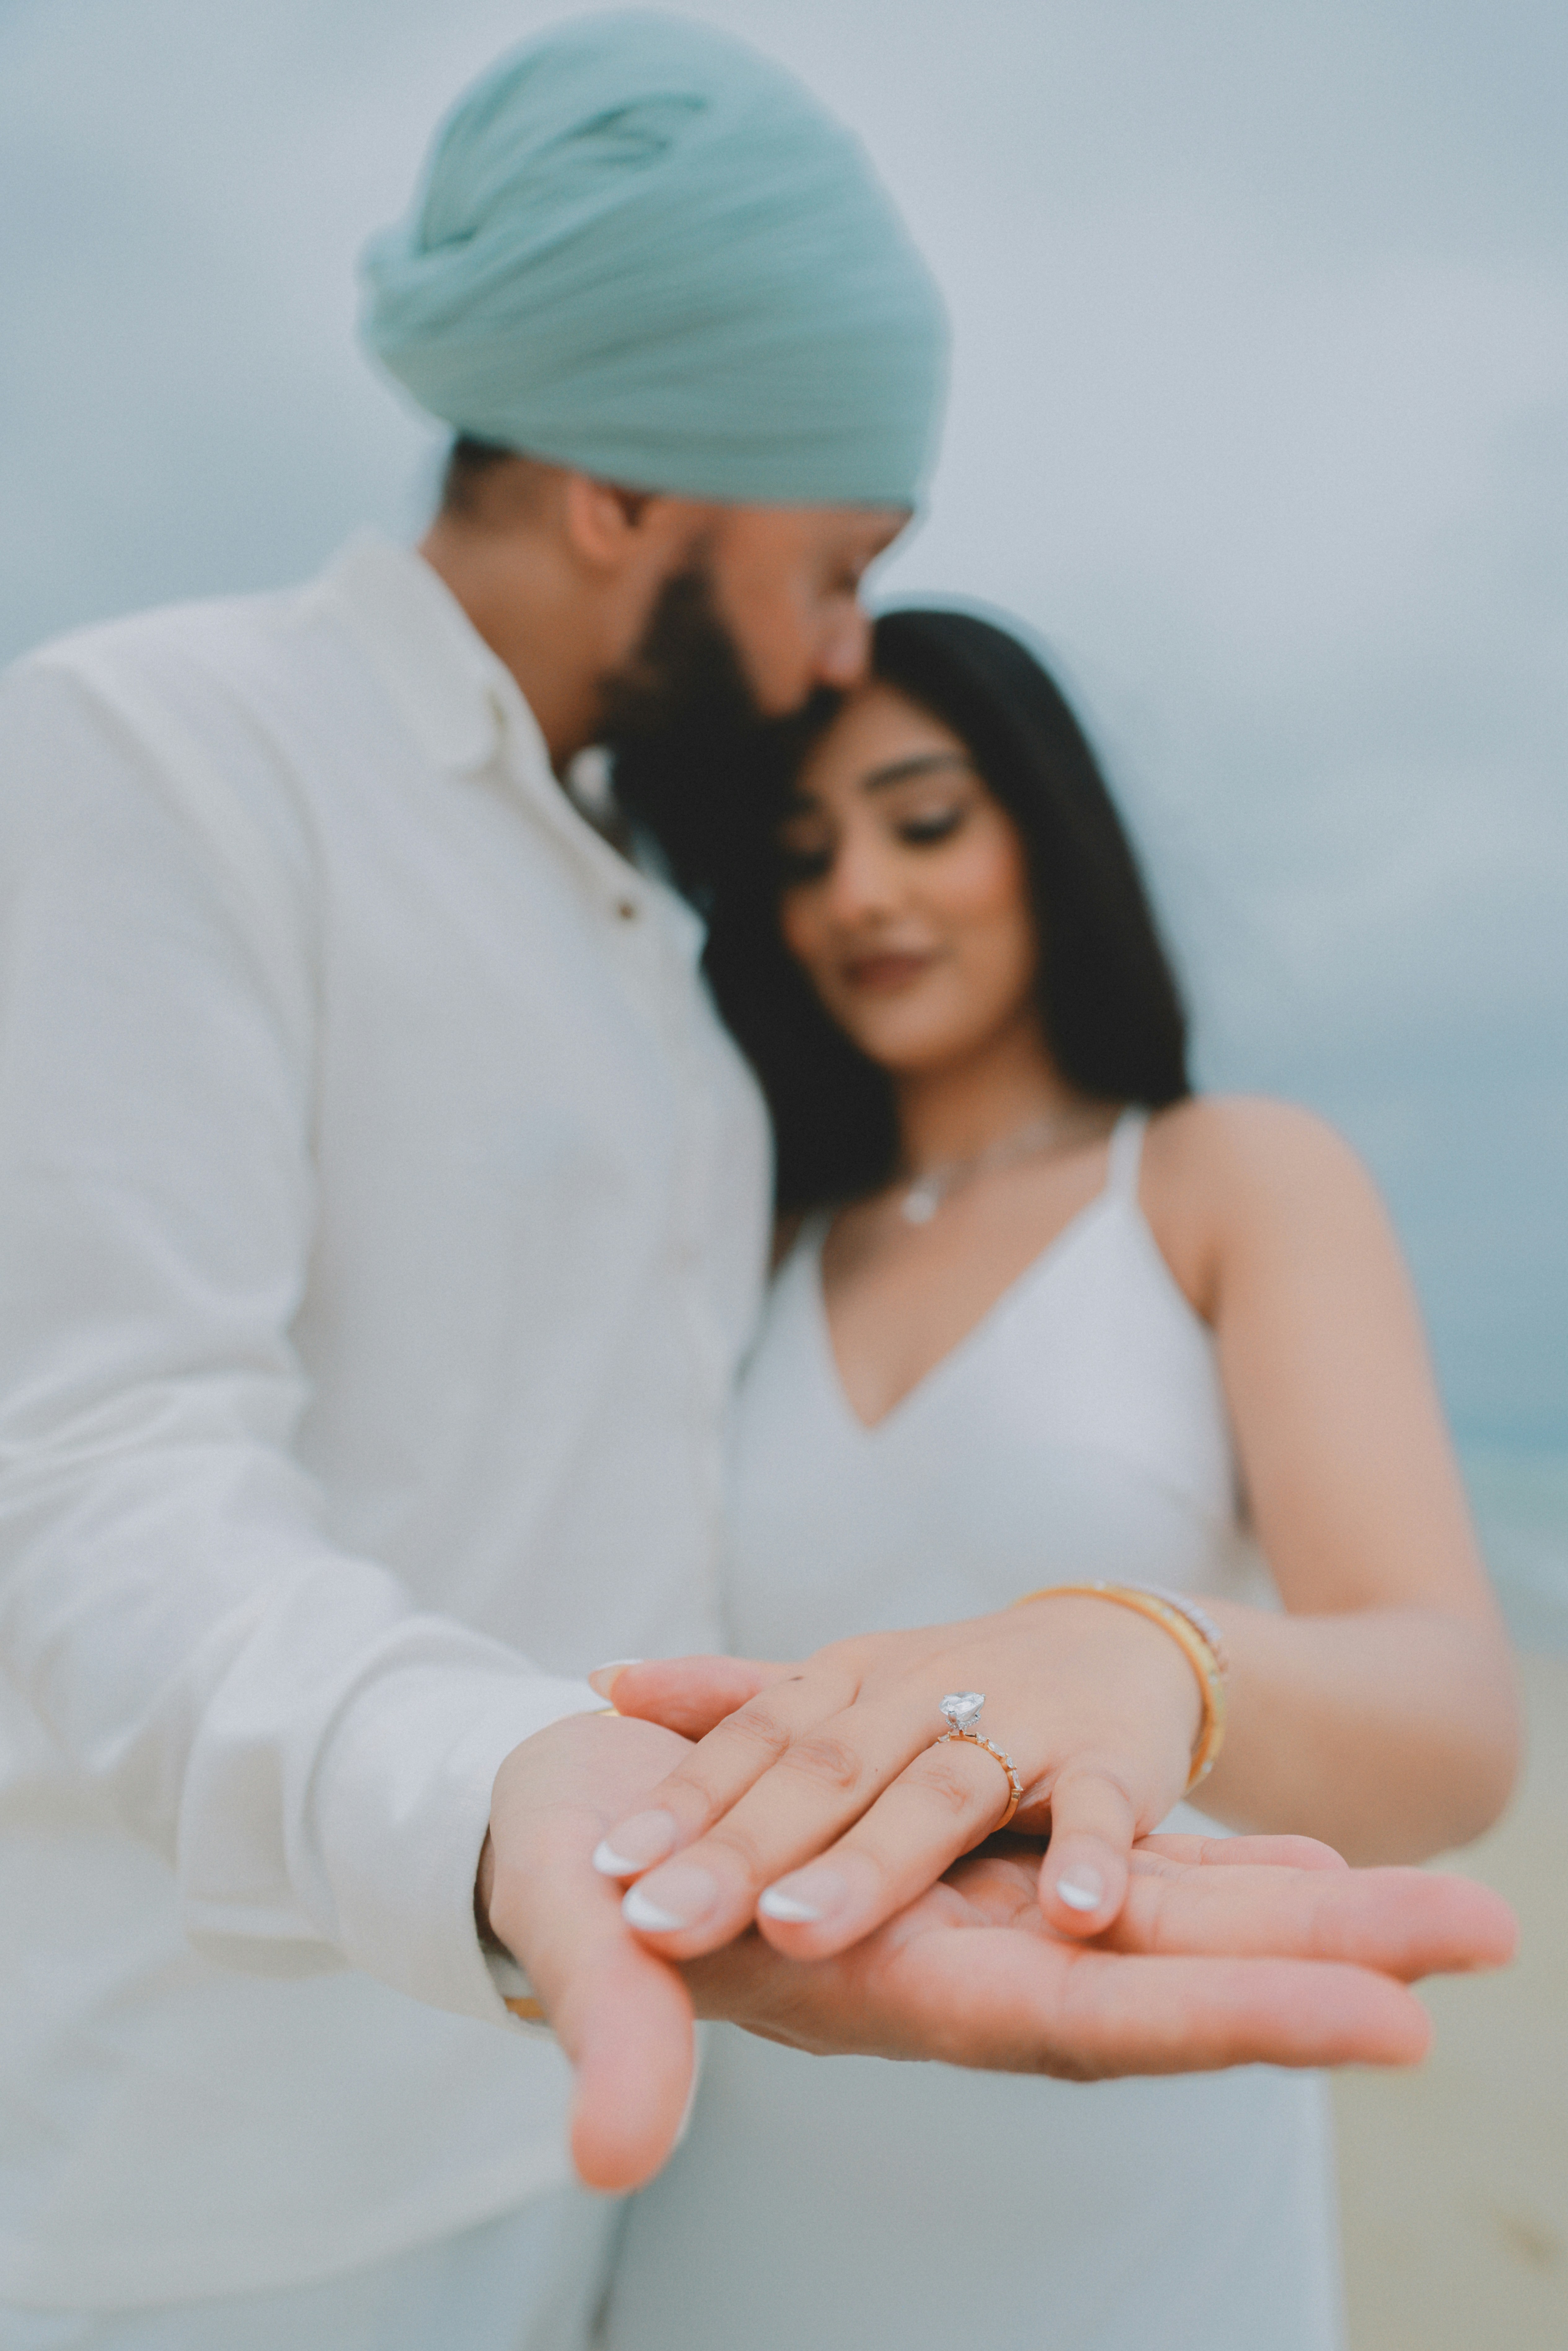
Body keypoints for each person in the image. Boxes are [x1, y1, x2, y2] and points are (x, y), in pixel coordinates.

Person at [0, 18, 1513, 2351]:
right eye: (837, 569)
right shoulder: (159, 752)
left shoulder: (660, 963)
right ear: (623, 493)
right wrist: (504, 1800)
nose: (833, 659)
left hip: (623, 2135)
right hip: (221, 2172)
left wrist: (1126, 1671)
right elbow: (94, 1477)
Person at [594, 607, 1521, 2351]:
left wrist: (1150, 1650)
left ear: (1042, 825)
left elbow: (1454, 1718)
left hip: (1125, 2162)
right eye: (803, 856)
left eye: (922, 818)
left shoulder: (1219, 1176)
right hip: (755, 2115)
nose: (860, 891)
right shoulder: (758, 1236)